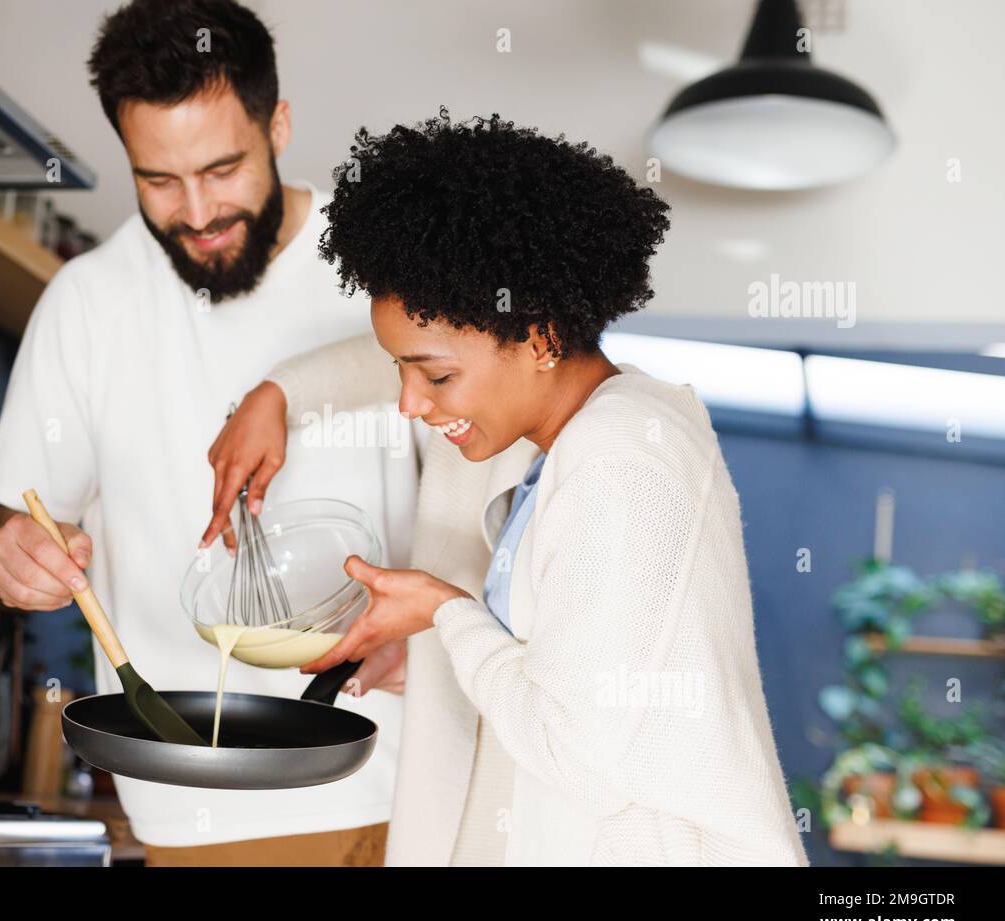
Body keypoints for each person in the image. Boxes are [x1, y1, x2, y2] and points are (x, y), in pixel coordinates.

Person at [203, 110, 809, 866]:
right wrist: (445, 651)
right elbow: (566, 680)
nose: (410, 404)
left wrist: (446, 612)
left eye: (436, 375)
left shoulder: (620, 461)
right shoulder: (583, 444)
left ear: (542, 338)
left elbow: (578, 751)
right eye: (403, 370)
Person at [0, 0, 415, 866]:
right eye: (159, 180)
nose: (200, 212)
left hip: (400, 777)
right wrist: (15, 550)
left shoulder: (380, 269)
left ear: (277, 123)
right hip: (196, 810)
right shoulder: (88, 305)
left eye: (223, 168)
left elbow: (483, 492)